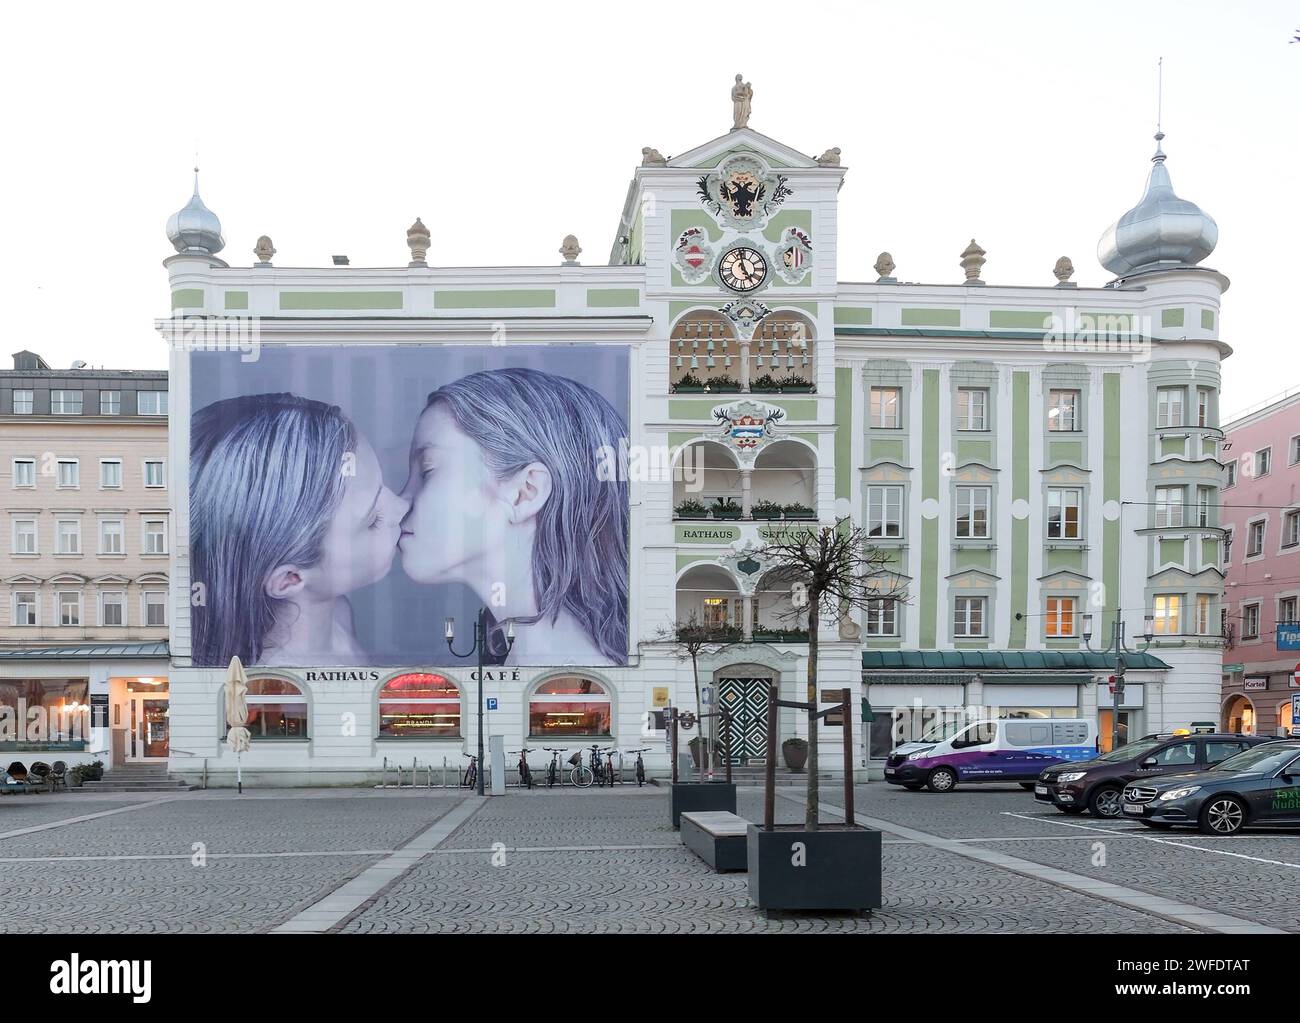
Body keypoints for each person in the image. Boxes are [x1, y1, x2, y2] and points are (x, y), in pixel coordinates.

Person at [399, 368, 628, 665]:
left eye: (428, 470)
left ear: (525, 491)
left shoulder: (563, 674)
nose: (399, 501)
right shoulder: (538, 661)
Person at [189, 393, 408, 666]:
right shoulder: (274, 689)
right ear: (289, 579)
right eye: (373, 519)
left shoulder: (340, 614)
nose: (401, 506)